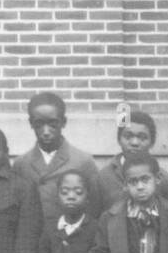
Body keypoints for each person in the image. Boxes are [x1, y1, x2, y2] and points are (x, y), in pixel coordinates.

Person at [12, 92, 103, 231]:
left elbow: (95, 207)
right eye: (39, 124)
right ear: (31, 123)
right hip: (34, 240)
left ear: (63, 122)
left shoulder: (83, 161)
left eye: (53, 124)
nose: (46, 131)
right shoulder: (21, 163)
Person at [95, 109, 168, 208]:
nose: (134, 142)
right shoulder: (104, 177)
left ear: (152, 142)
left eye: (142, 138)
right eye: (128, 136)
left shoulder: (164, 180)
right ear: (119, 139)